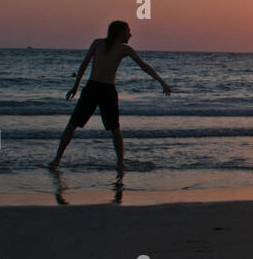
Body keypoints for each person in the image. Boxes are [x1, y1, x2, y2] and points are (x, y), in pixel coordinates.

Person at [49, 21, 171, 169]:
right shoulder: (102, 44)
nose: (130, 35)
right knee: (80, 125)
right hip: (98, 89)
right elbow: (84, 65)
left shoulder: (121, 48)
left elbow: (143, 66)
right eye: (128, 31)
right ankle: (58, 159)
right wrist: (75, 86)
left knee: (110, 128)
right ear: (120, 33)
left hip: (99, 89)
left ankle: (118, 163)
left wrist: (161, 82)